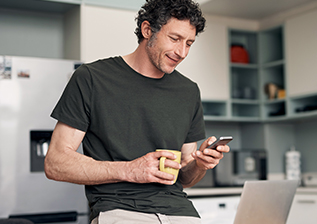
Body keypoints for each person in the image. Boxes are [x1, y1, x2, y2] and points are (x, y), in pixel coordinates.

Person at [44, 0, 230, 223]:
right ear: (147, 30)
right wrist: (130, 170)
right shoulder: (92, 78)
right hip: (119, 209)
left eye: (189, 43)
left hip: (180, 211)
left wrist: (200, 164)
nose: (182, 52)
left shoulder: (188, 91)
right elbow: (55, 163)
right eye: (175, 39)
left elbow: (184, 177)